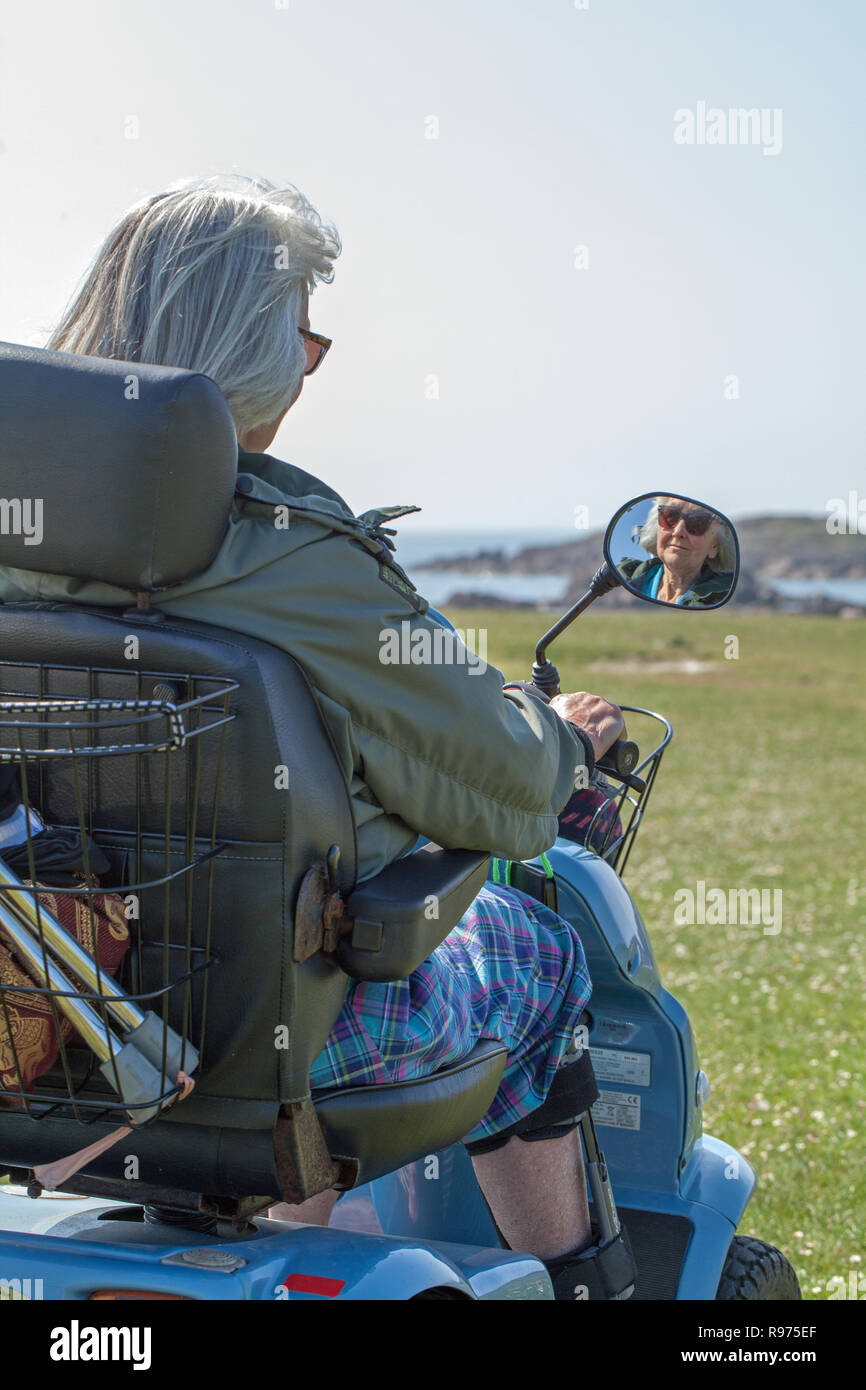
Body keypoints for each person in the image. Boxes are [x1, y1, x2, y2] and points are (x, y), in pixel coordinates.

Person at [0, 176, 633, 1298]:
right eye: (306, 335)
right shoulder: (300, 562)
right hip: (256, 1050)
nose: (308, 366)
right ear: (254, 349)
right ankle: (585, 1285)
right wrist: (564, 742)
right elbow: (507, 781)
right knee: (539, 955)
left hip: (33, 1023)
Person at [619, 497, 735, 607]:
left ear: (714, 547)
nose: (678, 532)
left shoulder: (724, 594)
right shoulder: (623, 575)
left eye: (697, 522)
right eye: (670, 516)